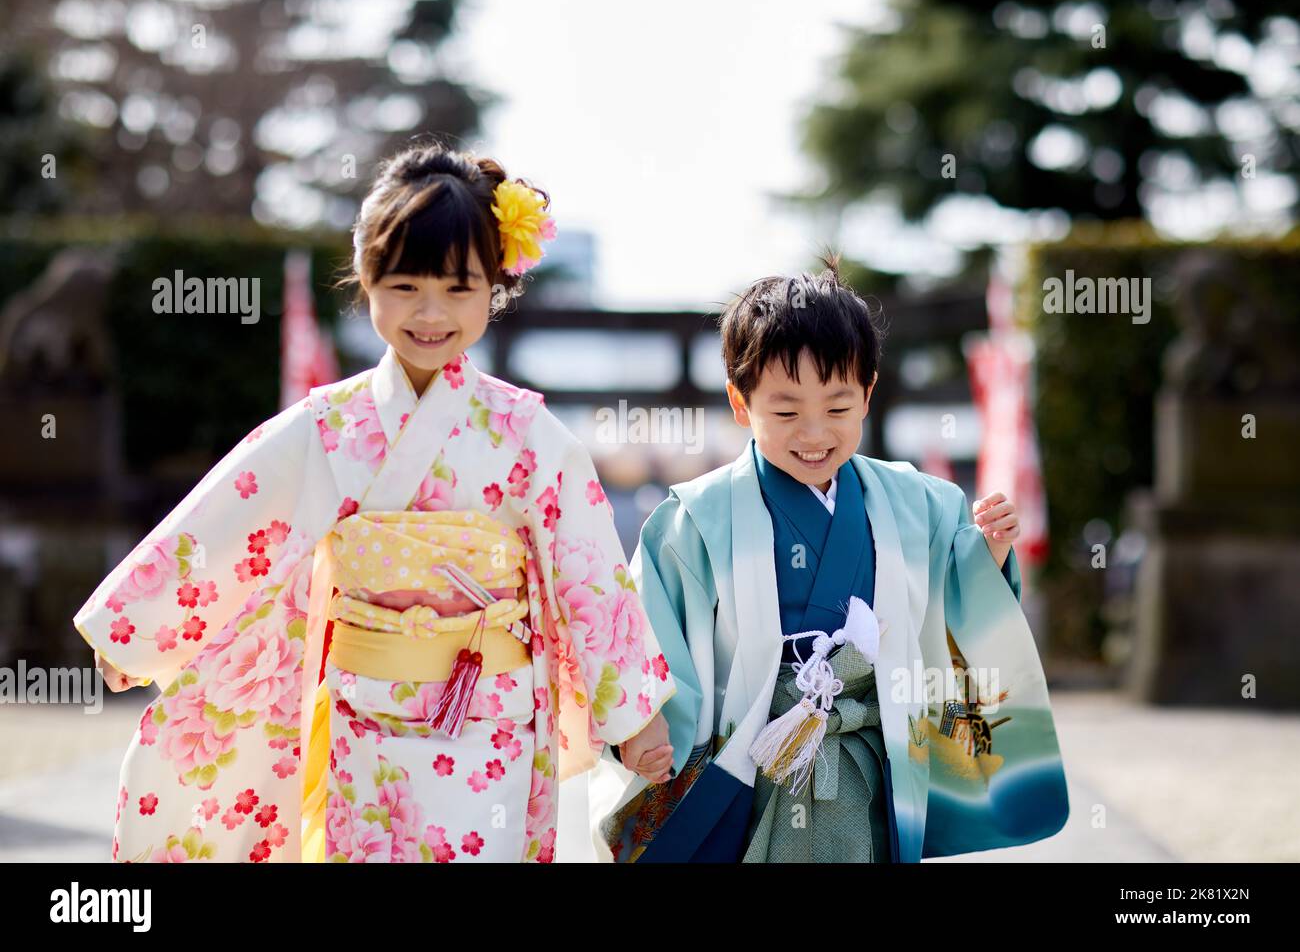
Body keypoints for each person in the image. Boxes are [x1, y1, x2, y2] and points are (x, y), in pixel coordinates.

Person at [76, 141, 679, 863]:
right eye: (405, 287)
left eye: (459, 289)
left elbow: (589, 575)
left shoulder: (529, 437)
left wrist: (635, 718)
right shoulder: (328, 425)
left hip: (492, 722)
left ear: (495, 287)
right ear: (366, 281)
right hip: (368, 714)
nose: (431, 313)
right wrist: (141, 629)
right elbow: (234, 519)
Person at [597, 256, 1069, 862]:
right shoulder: (695, 516)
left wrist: (989, 556)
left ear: (868, 395)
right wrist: (642, 722)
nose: (815, 433)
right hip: (752, 753)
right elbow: (646, 629)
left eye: (838, 408)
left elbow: (956, 612)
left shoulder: (921, 503)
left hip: (871, 750)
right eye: (787, 411)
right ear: (740, 404)